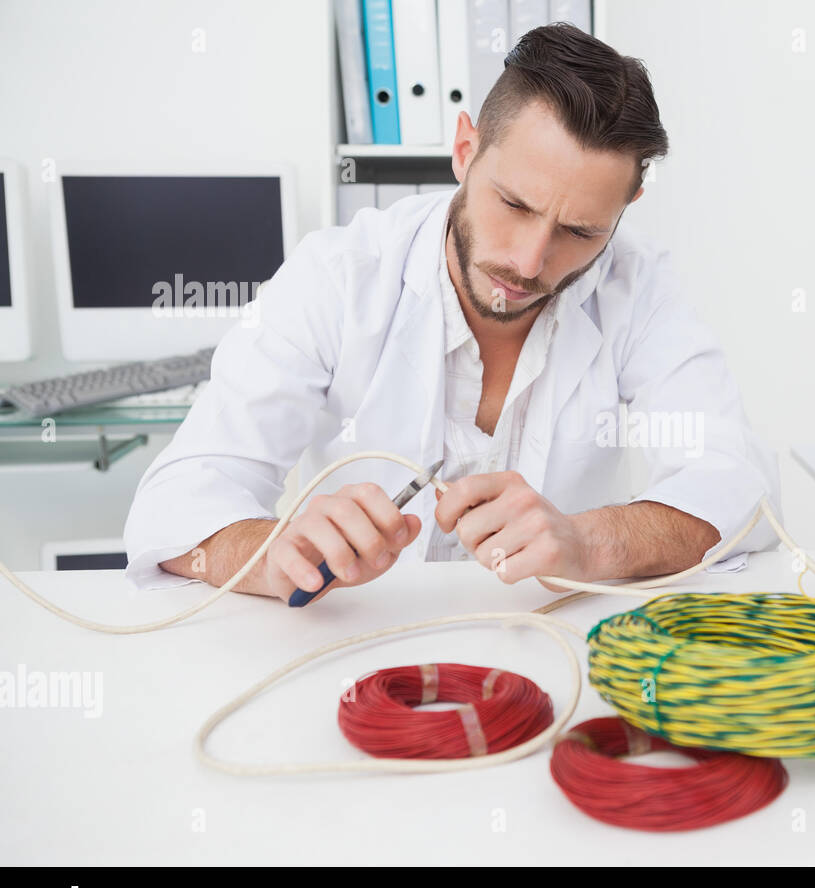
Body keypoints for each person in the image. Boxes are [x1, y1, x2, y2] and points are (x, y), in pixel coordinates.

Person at [123, 23, 780, 603]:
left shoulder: (638, 287)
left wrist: (588, 543)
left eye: (579, 231)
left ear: (628, 204)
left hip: (554, 656)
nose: (528, 262)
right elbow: (175, 504)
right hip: (350, 653)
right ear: (465, 149)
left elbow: (739, 491)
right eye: (514, 205)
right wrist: (274, 553)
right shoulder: (338, 276)